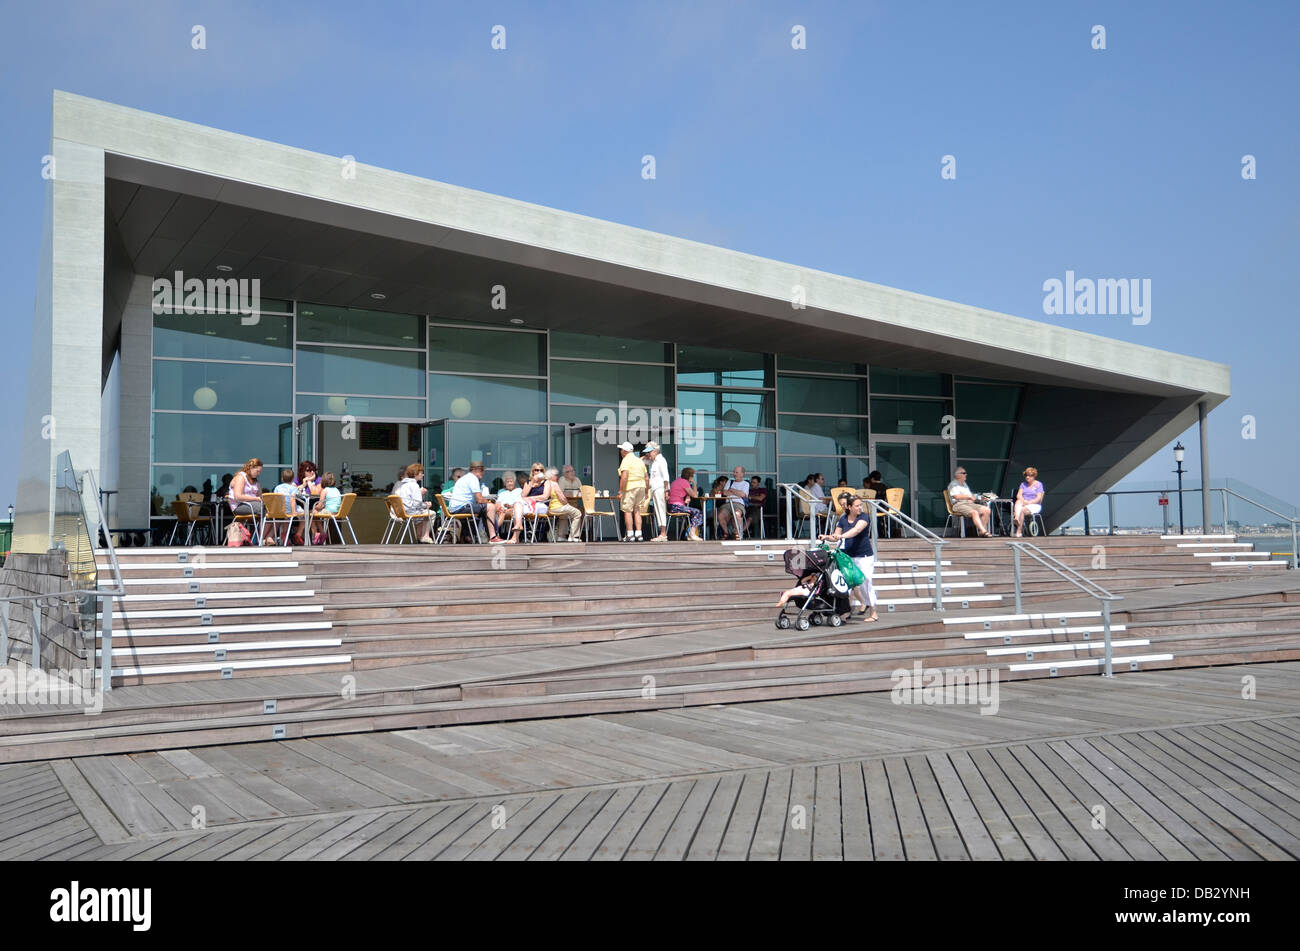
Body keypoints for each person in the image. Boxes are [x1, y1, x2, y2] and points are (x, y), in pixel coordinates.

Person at [820, 492, 878, 622]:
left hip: (864, 556)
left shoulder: (864, 517)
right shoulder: (843, 519)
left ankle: (873, 612)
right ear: (850, 507)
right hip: (848, 556)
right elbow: (836, 535)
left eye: (860, 505)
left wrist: (841, 536)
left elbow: (856, 530)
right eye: (857, 506)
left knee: (866, 582)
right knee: (845, 584)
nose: (860, 508)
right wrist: (827, 537)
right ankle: (845, 612)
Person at [446, 462, 502, 543]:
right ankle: (493, 537)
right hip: (461, 507)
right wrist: (494, 505)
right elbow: (479, 499)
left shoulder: (466, 478)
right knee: (490, 507)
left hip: (456, 507)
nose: (483, 473)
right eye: (482, 470)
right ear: (477, 470)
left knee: (485, 509)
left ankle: (491, 536)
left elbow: (477, 500)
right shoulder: (473, 479)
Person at [227, 458, 266, 543]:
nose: (258, 474)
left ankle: (266, 537)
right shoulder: (241, 477)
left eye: (260, 472)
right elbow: (238, 496)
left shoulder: (255, 481)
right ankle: (261, 538)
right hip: (239, 506)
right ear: (251, 468)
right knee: (264, 509)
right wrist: (255, 498)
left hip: (251, 505)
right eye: (257, 471)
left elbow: (260, 496)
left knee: (271, 508)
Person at [396, 463, 435, 543]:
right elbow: (417, 504)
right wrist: (426, 505)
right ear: (415, 473)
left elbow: (413, 501)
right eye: (421, 473)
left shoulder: (404, 485)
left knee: (423, 513)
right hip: (411, 512)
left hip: (403, 512)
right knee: (431, 513)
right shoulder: (414, 485)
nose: (423, 475)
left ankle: (419, 536)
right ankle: (425, 536)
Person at [948, 467, 992, 537]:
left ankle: (981, 531)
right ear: (957, 475)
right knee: (974, 512)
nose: (966, 474)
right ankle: (984, 531)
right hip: (958, 504)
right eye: (964, 473)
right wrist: (969, 497)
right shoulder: (953, 484)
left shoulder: (964, 484)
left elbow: (970, 496)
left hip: (969, 503)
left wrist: (978, 498)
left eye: (965, 473)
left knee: (987, 510)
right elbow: (957, 496)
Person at [617, 442, 648, 542]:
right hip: (641, 487)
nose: (621, 452)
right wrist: (646, 491)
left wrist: (621, 491)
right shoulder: (639, 461)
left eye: (621, 450)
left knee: (627, 510)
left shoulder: (626, 460)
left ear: (625, 451)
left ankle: (630, 534)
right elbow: (647, 478)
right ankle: (639, 534)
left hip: (630, 487)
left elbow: (624, 476)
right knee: (637, 510)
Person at [544, 467, 585, 542]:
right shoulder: (555, 483)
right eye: (556, 475)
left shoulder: (547, 483)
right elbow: (562, 497)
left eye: (573, 470)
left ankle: (561, 536)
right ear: (551, 476)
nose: (557, 476)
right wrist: (566, 503)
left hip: (554, 507)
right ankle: (573, 536)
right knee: (578, 513)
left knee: (565, 515)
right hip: (559, 506)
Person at [643, 442, 671, 542]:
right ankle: (662, 533)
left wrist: (666, 490)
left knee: (661, 510)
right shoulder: (654, 461)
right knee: (658, 511)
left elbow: (666, 476)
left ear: (655, 451)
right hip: (655, 489)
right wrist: (645, 456)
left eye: (649, 452)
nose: (648, 455)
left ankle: (663, 534)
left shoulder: (661, 461)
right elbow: (643, 461)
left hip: (660, 489)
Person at [667, 467, 704, 541]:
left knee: (692, 512)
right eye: (692, 476)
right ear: (690, 476)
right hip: (676, 507)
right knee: (697, 512)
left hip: (672, 506)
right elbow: (695, 495)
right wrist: (694, 483)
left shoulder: (677, 481)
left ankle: (690, 533)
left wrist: (687, 496)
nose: (693, 477)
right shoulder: (685, 482)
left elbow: (684, 492)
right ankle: (692, 534)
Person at [716, 465, 750, 539]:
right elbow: (725, 493)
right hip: (727, 504)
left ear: (742, 474)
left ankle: (736, 532)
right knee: (720, 515)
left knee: (737, 514)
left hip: (738, 505)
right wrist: (738, 493)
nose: (734, 474)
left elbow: (743, 495)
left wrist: (732, 490)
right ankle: (726, 532)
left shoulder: (746, 484)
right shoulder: (729, 482)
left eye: (736, 472)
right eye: (734, 472)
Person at [271, 468, 302, 545]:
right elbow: (293, 500)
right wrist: (294, 512)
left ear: (282, 478)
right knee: (305, 514)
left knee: (286, 517)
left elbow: (276, 499)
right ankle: (299, 533)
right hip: (290, 510)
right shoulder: (293, 488)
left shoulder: (277, 488)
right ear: (292, 479)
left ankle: (284, 534)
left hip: (280, 511)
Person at [310, 472, 342, 544]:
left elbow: (320, 505)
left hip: (329, 512)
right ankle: (322, 533)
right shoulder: (337, 490)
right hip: (338, 512)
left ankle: (316, 533)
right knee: (316, 515)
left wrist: (315, 507)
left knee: (312, 514)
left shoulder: (325, 491)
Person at [1013, 467, 1046, 537]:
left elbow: (1038, 498)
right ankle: (1016, 518)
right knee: (1018, 501)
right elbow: (1018, 495)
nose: (1027, 477)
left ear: (1034, 476)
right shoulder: (1023, 484)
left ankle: (1018, 531)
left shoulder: (1038, 484)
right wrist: (1024, 501)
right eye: (1026, 475)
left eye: (1029, 475)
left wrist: (1029, 502)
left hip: (1034, 505)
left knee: (1022, 510)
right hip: (1024, 503)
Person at [495, 471, 526, 543]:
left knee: (503, 513)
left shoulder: (519, 490)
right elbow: (498, 503)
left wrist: (510, 506)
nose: (509, 483)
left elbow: (520, 503)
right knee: (499, 512)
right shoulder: (501, 492)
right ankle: (494, 534)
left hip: (513, 510)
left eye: (511, 481)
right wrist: (500, 507)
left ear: (514, 482)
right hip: (502, 510)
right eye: (507, 481)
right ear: (504, 483)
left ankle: (494, 532)